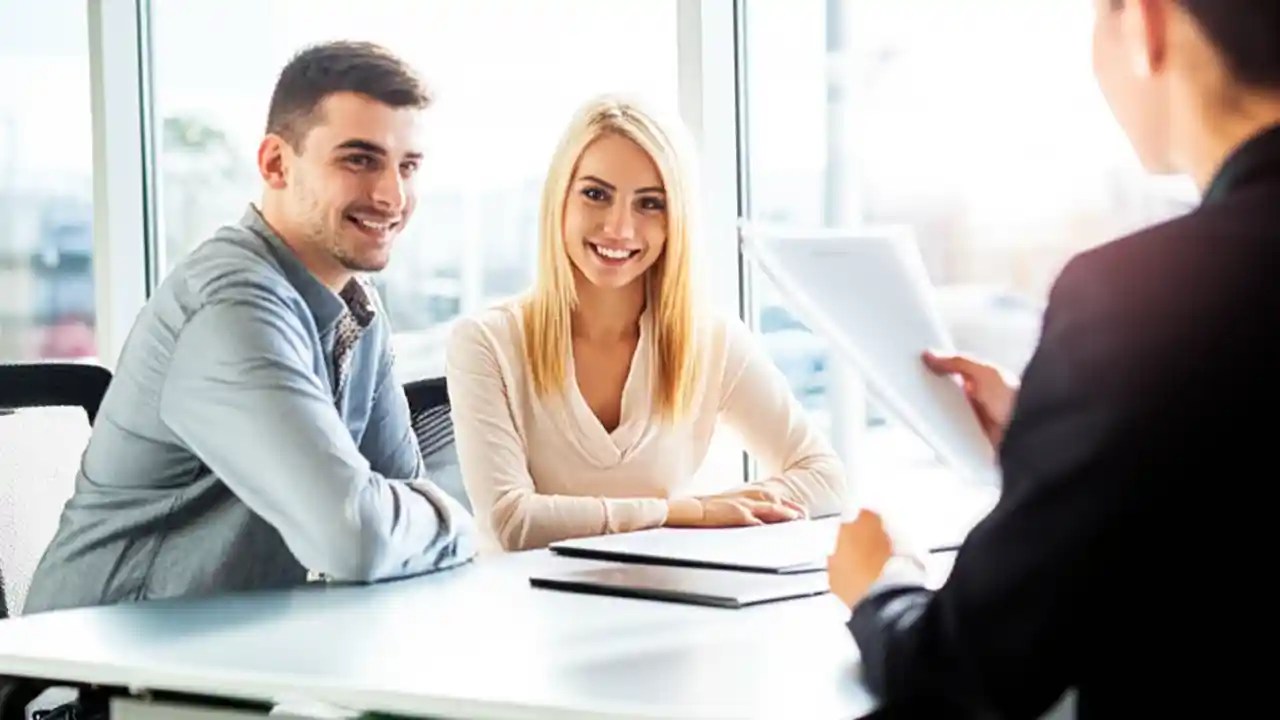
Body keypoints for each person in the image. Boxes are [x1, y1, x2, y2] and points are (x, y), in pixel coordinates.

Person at [826, 0, 1280, 716]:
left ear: (1147, 24)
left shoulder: (1139, 295)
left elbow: (966, 674)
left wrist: (883, 585)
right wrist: (1087, 435)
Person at [24, 41, 475, 614]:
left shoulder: (357, 311)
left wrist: (423, 517)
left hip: (229, 665)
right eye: (359, 159)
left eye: (407, 165)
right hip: (94, 685)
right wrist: (455, 516)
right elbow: (356, 538)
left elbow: (402, 515)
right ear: (275, 164)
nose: (392, 195)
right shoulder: (231, 305)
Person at [445, 95, 848, 552]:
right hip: (532, 612)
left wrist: (749, 504)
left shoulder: (710, 341)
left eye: (650, 204)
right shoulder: (485, 343)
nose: (619, 228)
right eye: (596, 195)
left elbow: (826, 478)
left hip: (667, 607)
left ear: (675, 219)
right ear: (560, 198)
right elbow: (512, 522)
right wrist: (685, 512)